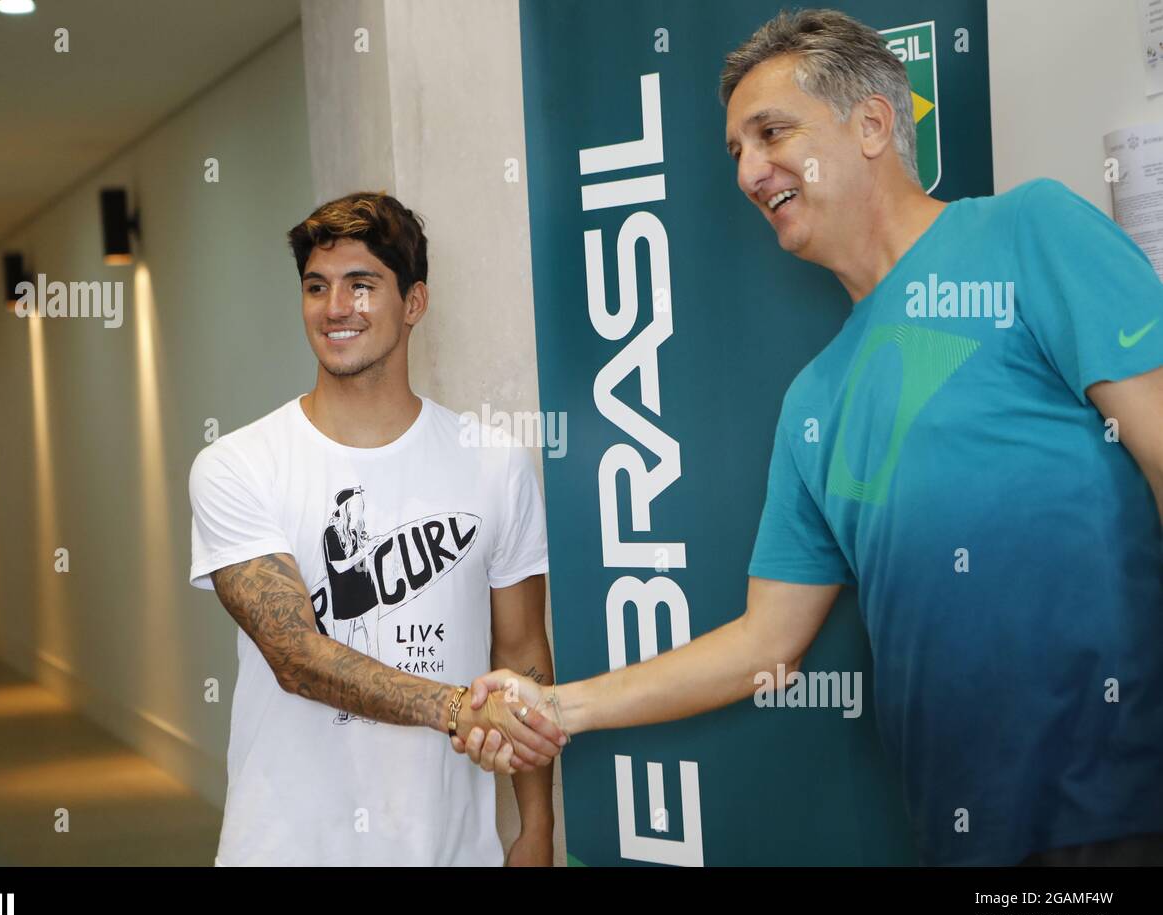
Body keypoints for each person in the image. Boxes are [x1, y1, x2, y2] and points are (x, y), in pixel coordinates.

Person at [455, 8, 1163, 867]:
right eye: (736, 152)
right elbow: (766, 644)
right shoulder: (814, 399)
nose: (751, 170)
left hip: (1125, 808)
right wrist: (555, 708)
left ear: (870, 124)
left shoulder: (1029, 231)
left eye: (772, 132)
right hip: (966, 837)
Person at [189, 191, 564, 865]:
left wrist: (536, 827)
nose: (336, 308)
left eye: (362, 285)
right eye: (317, 286)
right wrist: (457, 710)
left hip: (451, 847)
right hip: (286, 848)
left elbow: (522, 652)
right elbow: (295, 657)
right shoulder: (237, 466)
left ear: (413, 303)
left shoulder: (495, 463)